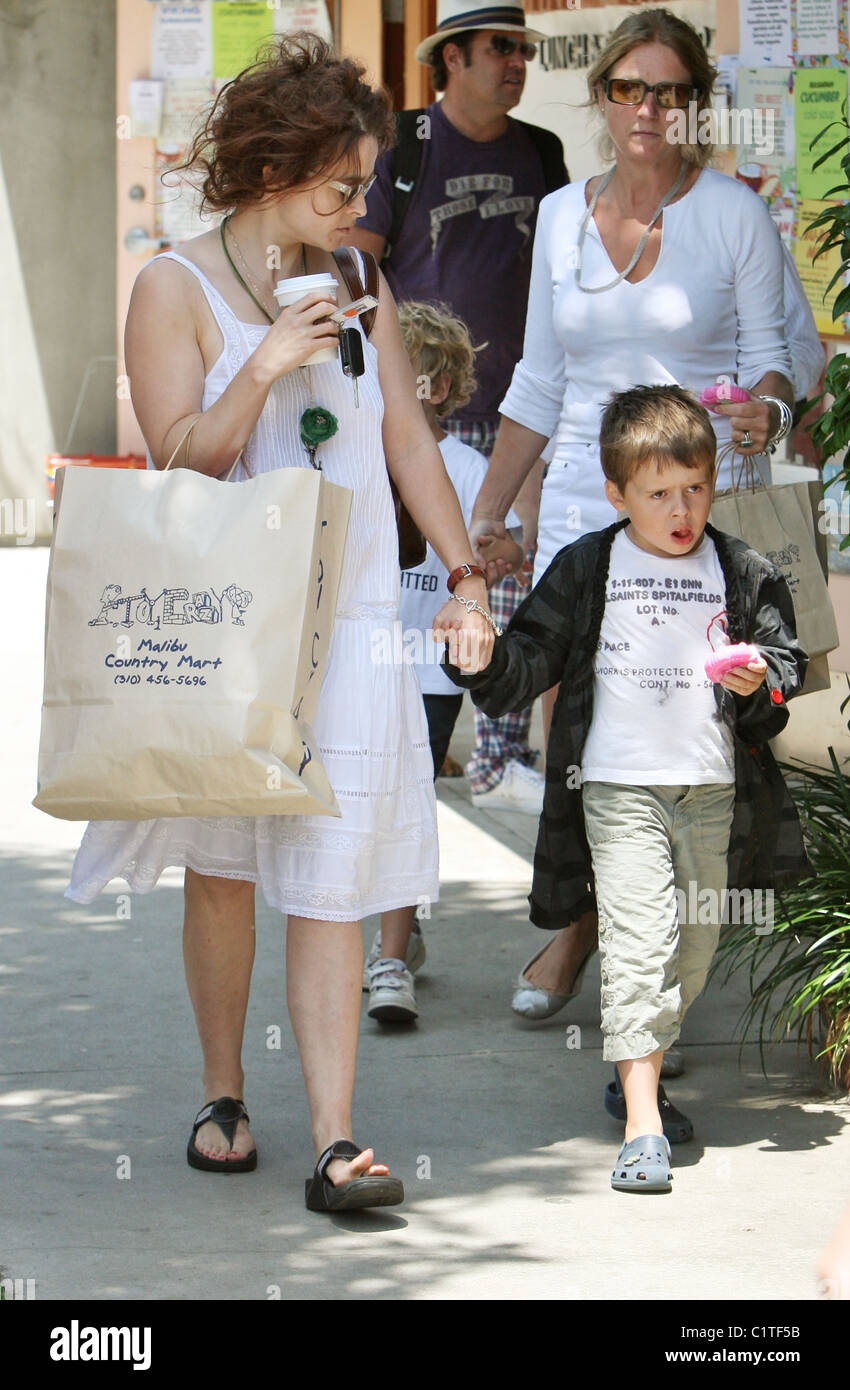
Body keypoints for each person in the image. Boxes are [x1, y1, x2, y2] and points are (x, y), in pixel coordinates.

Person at [62, 35, 497, 1212]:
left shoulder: (363, 286)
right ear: (271, 171)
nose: (361, 209)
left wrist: (463, 574)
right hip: (227, 628)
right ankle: (222, 1093)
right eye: (341, 185)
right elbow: (175, 463)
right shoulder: (173, 286)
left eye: (365, 188)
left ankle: (338, 1139)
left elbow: (405, 438)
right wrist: (260, 366)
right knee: (223, 872)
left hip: (348, 622)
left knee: (331, 876)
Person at [465, 7, 796, 1026]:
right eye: (628, 89)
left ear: (695, 104)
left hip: (687, 509)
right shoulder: (562, 214)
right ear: (604, 97)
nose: (647, 109)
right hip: (579, 501)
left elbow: (771, 355)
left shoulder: (732, 214)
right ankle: (583, 926)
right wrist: (480, 519)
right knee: (580, 738)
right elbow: (537, 377)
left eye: (668, 91)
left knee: (684, 724)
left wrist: (765, 410)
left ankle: (648, 960)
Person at [441, 384, 808, 1191]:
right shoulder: (590, 567)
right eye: (659, 494)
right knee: (640, 940)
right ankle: (643, 1122)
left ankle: (638, 1060)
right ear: (616, 493)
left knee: (695, 943)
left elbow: (785, 669)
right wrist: (476, 655)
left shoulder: (739, 568)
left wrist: (758, 684)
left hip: (712, 791)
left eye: (697, 489)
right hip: (616, 790)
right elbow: (526, 660)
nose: (682, 510)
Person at [352, 1, 568, 819]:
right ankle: (401, 733)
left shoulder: (541, 153)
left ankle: (498, 754)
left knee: (512, 572)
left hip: (518, 404)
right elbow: (358, 266)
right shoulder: (407, 146)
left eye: (521, 49)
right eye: (498, 48)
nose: (515, 62)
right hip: (423, 405)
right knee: (416, 575)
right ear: (451, 59)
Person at [364, 300, 523, 1023]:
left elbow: (502, 541)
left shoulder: (460, 467)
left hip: (427, 672)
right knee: (364, 804)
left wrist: (499, 550)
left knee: (404, 799)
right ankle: (401, 926)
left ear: (428, 386)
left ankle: (389, 955)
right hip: (359, 663)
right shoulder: (357, 459)